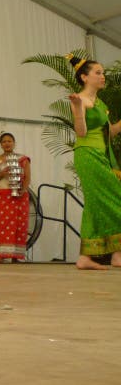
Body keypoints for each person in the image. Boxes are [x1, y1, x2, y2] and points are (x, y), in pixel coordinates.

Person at [66, 53, 121, 270]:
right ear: (84, 78)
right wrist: (78, 110)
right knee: (117, 199)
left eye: (103, 73)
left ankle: (86, 258)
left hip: (102, 155)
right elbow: (81, 132)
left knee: (93, 206)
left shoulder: (100, 103)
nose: (103, 76)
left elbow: (110, 134)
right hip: (88, 155)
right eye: (97, 73)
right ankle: (117, 255)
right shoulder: (81, 100)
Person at [0, 132, 31, 262]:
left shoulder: (23, 159)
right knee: (3, 224)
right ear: (1, 144)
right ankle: (1, 255)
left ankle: (16, 256)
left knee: (19, 225)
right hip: (3, 195)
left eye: (9, 141)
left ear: (14, 143)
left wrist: (22, 191)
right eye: (4, 142)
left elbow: (28, 178)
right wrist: (2, 173)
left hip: (19, 196)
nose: (7, 144)